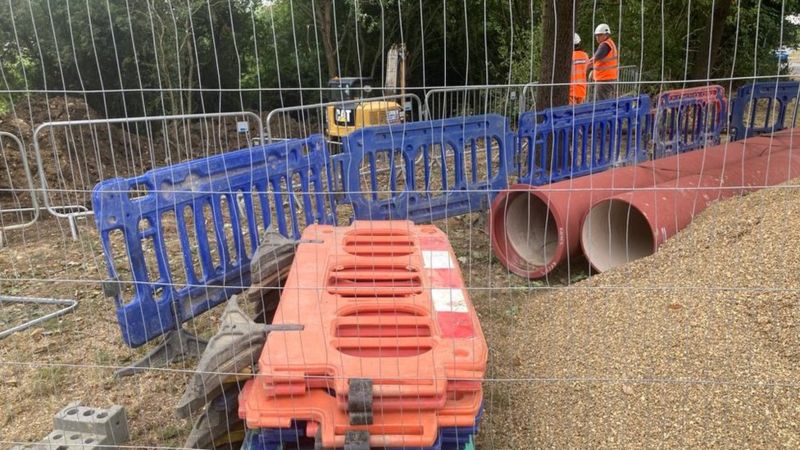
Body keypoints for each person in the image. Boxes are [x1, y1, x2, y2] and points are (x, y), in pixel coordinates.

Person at [587, 23, 618, 101]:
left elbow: (593, 60)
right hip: (608, 78)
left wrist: (583, 67)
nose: (597, 37)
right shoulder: (610, 43)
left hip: (604, 80)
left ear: (606, 35)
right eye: (596, 35)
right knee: (605, 101)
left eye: (599, 35)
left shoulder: (605, 45)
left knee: (602, 103)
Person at [570, 33, 589, 104]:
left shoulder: (568, 56)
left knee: (570, 113)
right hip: (582, 90)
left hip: (570, 91)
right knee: (579, 113)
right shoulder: (585, 56)